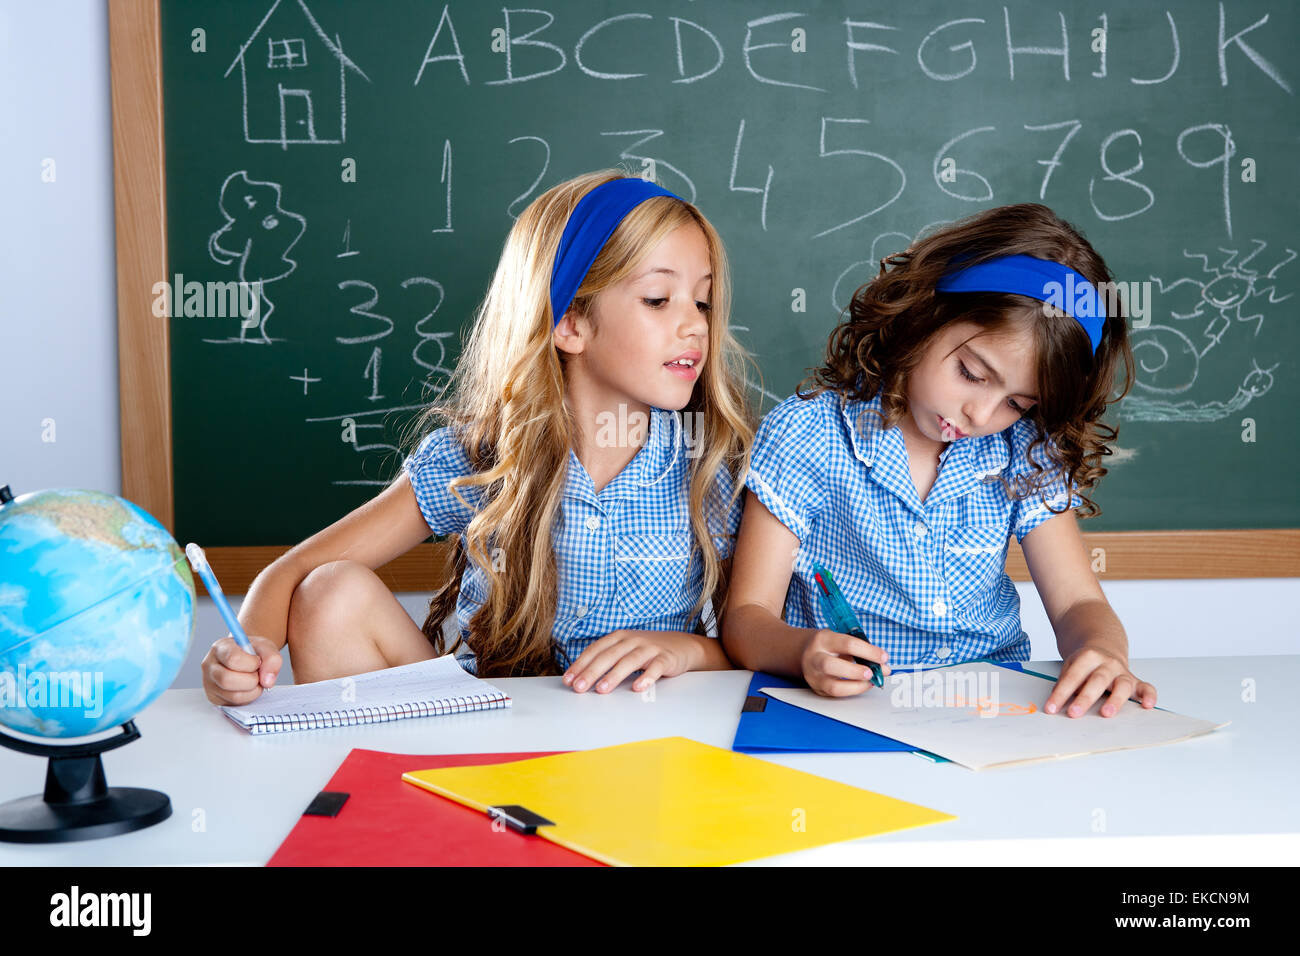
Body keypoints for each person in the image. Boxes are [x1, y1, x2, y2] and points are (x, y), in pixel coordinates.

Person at [202, 170, 755, 705]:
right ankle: (391, 791)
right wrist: (242, 651)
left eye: (702, 302)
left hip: (641, 754)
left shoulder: (711, 465)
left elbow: (755, 643)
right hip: (488, 739)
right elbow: (292, 573)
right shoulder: (478, 457)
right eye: (659, 299)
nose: (696, 325)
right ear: (570, 325)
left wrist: (684, 651)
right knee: (330, 593)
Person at [721, 203, 1158, 718]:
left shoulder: (1025, 449)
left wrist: (1101, 651)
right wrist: (801, 653)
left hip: (991, 706)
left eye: (1018, 403)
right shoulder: (809, 434)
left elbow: (1077, 605)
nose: (980, 413)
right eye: (972, 373)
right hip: (849, 707)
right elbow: (747, 619)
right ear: (927, 316)